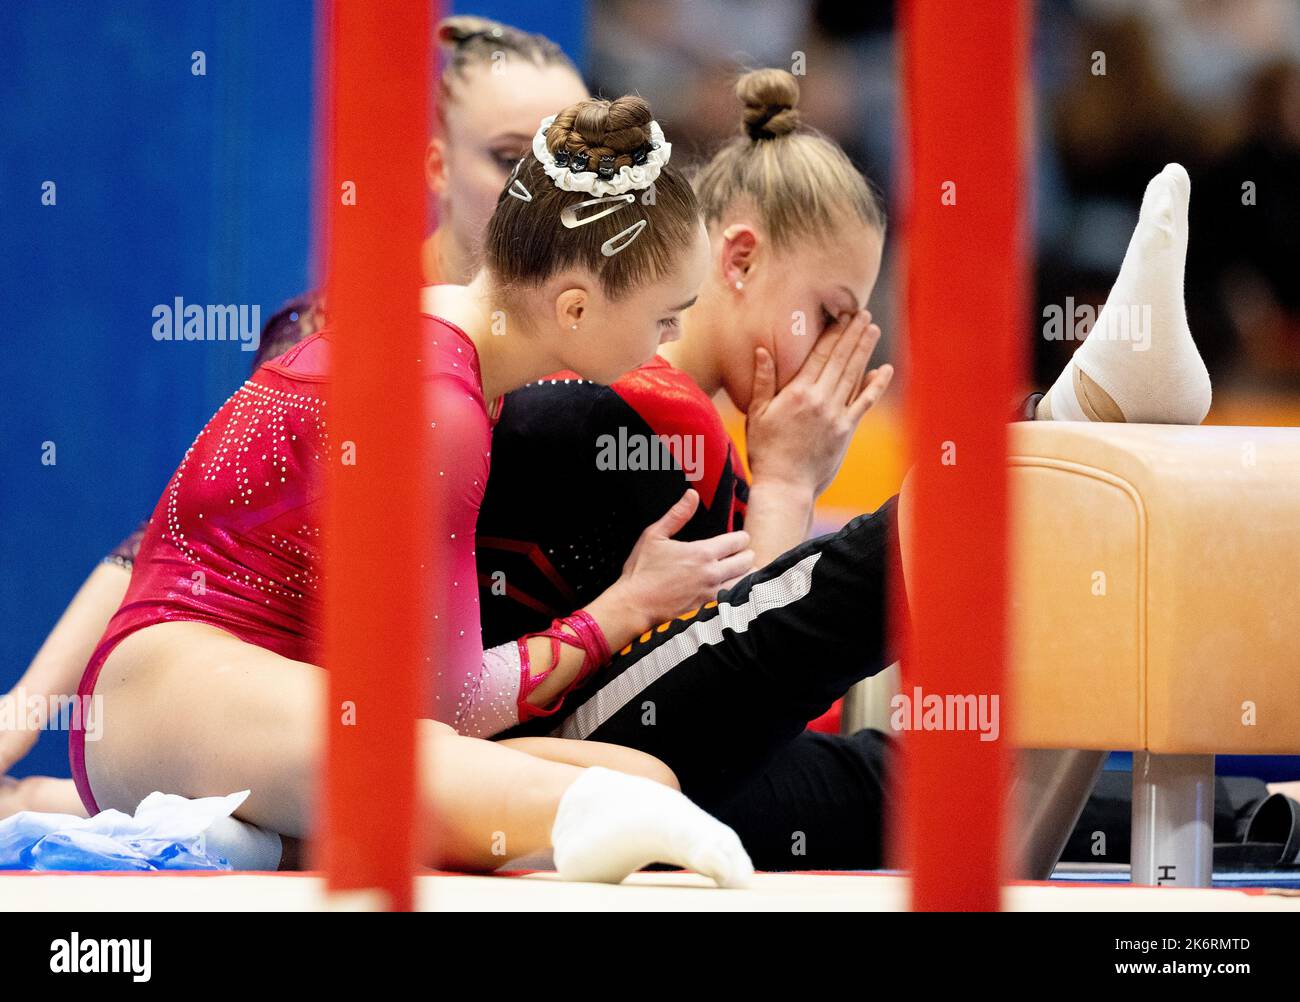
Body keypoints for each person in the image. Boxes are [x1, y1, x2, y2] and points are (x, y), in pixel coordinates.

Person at [66, 92, 761, 885]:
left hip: (284, 706)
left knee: (645, 782)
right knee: (493, 781)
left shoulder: (452, 343)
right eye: (665, 319)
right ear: (573, 306)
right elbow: (452, 705)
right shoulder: (440, 401)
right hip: (168, 691)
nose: (669, 344)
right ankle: (248, 822)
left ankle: (259, 836)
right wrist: (621, 612)